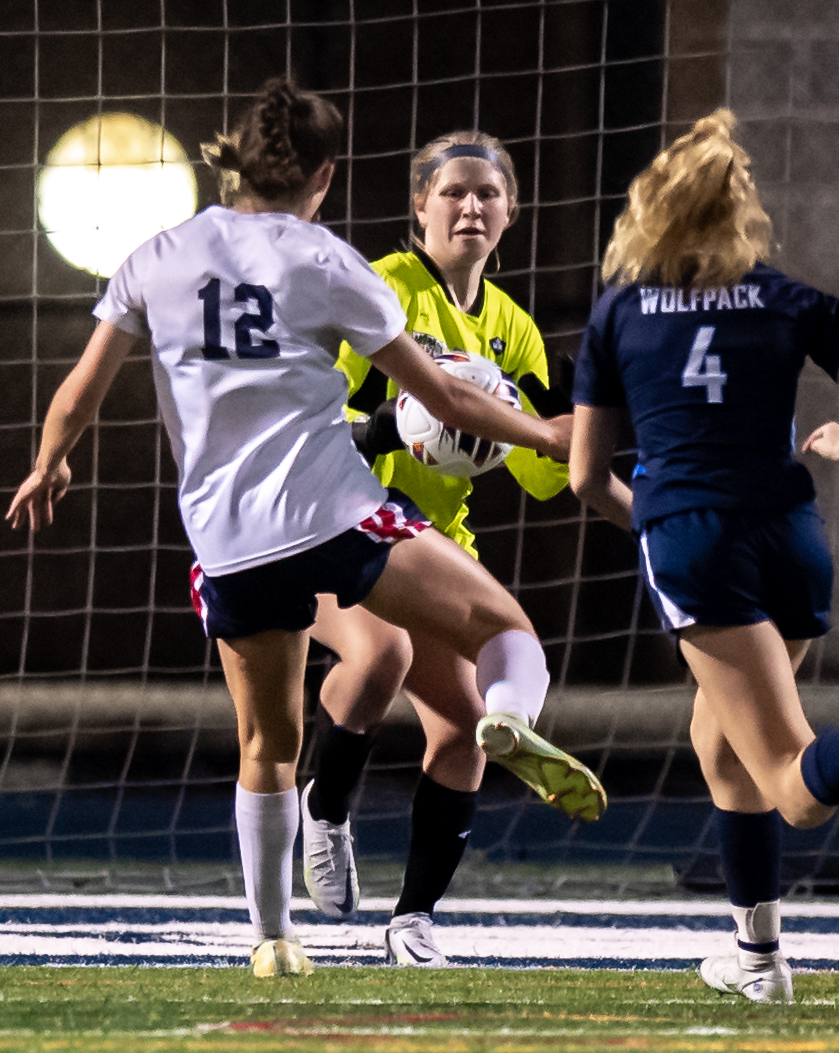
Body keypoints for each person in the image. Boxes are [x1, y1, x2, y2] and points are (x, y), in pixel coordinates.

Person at [6, 80, 576, 980]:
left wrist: (50, 461)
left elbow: (79, 393)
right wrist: (543, 430)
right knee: (504, 629)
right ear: (324, 173)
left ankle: (272, 936)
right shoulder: (327, 262)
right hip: (335, 513)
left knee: (265, 745)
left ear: (235, 159)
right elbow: (442, 398)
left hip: (230, 543)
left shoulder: (156, 254)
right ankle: (509, 721)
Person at [567, 109, 839, 1004]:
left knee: (789, 784)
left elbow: (586, 475)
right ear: (739, 212)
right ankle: (759, 961)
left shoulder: (619, 312)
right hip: (790, 536)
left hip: (694, 538)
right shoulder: (793, 300)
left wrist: (659, 524)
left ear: (650, 212)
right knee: (717, 742)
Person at [299, 131, 606, 968]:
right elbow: (313, 423)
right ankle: (323, 807)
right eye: (453, 192)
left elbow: (551, 467)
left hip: (433, 542)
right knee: (381, 654)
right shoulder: (385, 288)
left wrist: (592, 423)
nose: (470, 206)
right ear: (419, 206)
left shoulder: (514, 328)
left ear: (511, 211)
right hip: (330, 522)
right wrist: (395, 423)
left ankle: (413, 921)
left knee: (467, 727)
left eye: (488, 194)